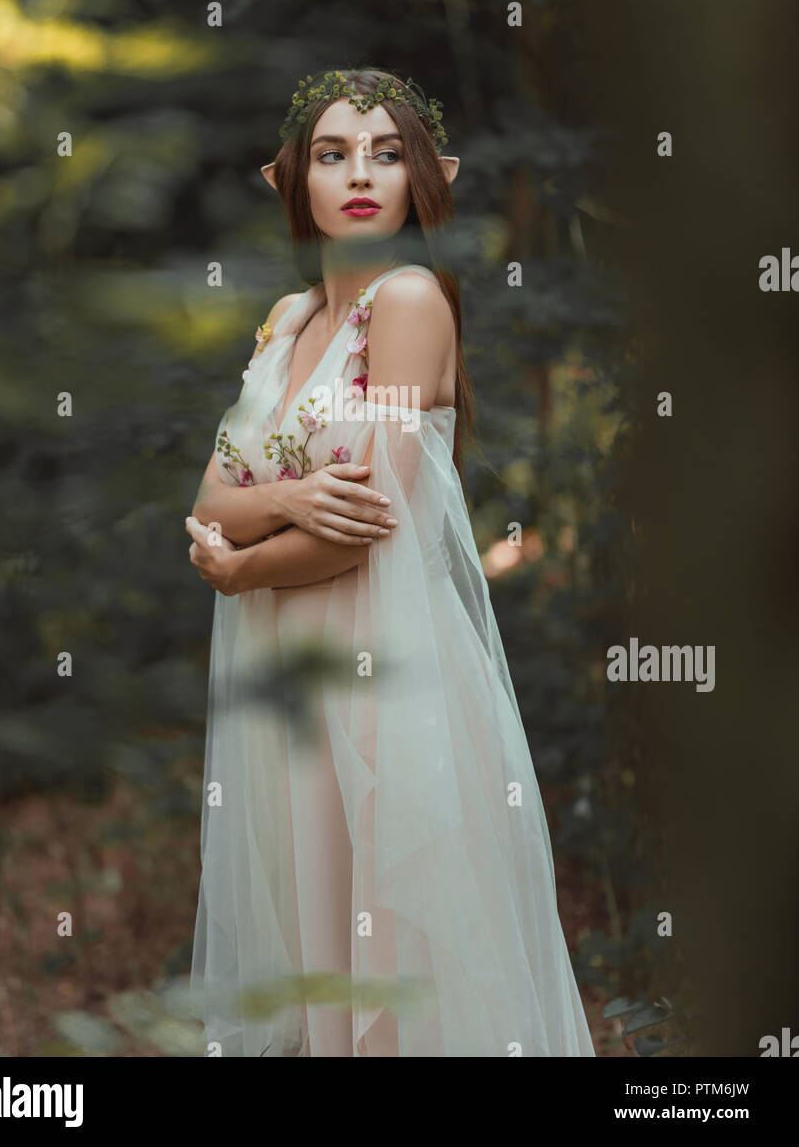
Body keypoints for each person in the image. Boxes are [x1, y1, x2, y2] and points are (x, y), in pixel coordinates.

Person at [186, 66, 595, 1057]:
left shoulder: (408, 302)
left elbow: (361, 520)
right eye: (332, 154)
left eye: (385, 153)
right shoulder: (287, 324)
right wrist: (281, 496)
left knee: (398, 951)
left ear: (421, 177)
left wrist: (242, 565)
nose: (360, 173)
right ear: (293, 179)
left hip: (388, 672)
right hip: (290, 680)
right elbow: (210, 499)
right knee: (321, 934)